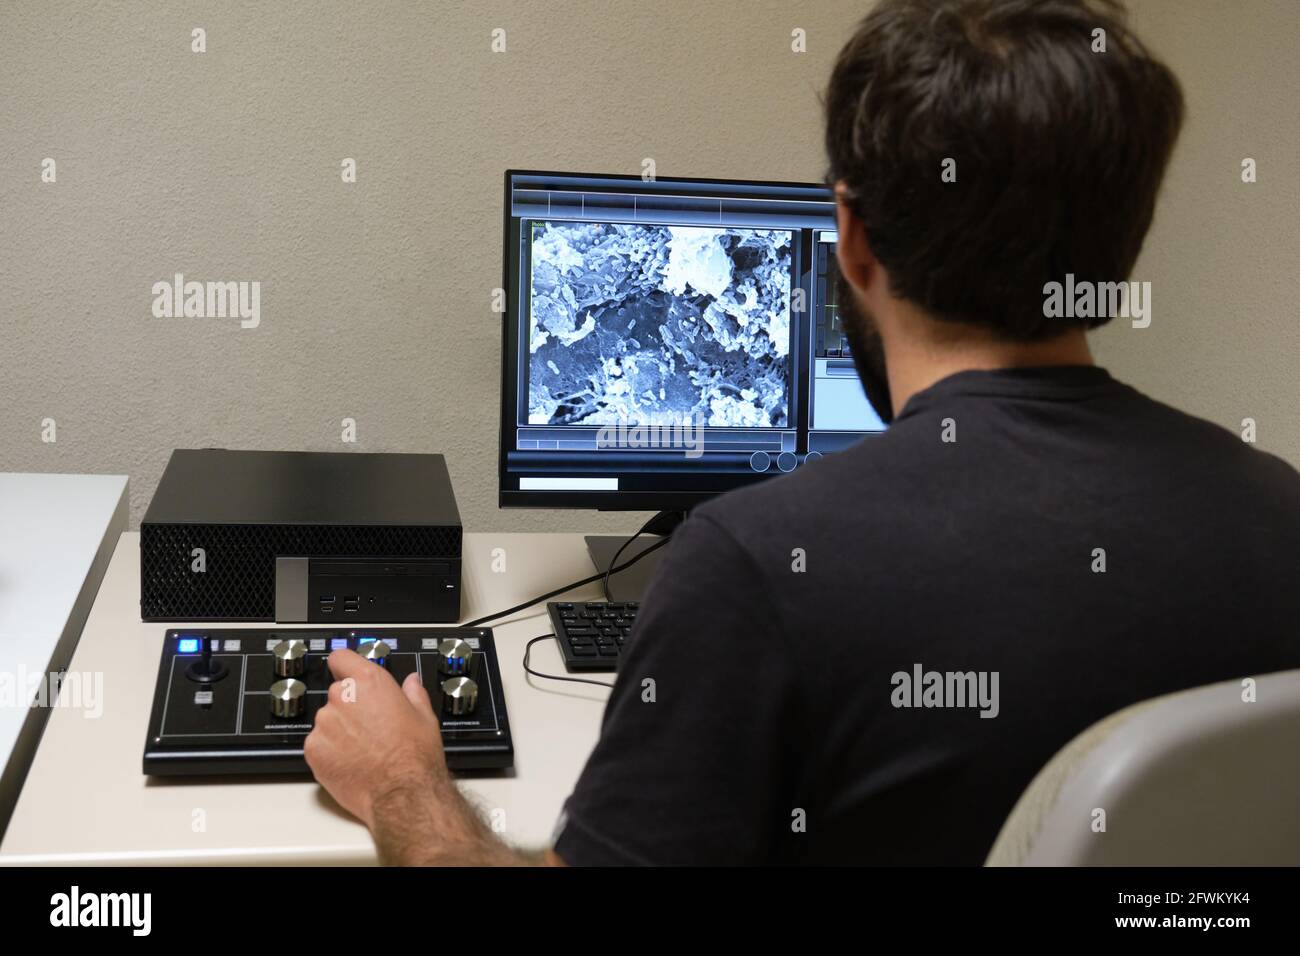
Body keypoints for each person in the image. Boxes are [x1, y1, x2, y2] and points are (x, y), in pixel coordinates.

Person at [304, 0, 1300, 865]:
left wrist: (404, 784)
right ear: (1119, 248)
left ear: (851, 237)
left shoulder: (757, 562)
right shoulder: (1277, 511)